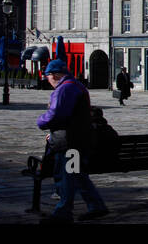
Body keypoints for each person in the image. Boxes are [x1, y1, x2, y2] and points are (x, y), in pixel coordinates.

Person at [36, 59, 109, 223]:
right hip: (78, 140)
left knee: (67, 176)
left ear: (53, 75)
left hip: (69, 142)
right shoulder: (75, 85)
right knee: (76, 174)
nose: (47, 80)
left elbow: (57, 113)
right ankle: (96, 205)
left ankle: (63, 212)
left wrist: (41, 121)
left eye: (47, 76)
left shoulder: (65, 88)